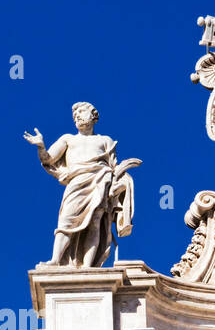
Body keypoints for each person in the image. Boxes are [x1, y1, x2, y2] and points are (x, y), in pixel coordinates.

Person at [24, 102, 140, 267]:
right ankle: (56, 260)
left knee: (95, 222)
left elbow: (114, 168)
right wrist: (41, 147)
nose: (76, 116)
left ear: (93, 115)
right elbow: (48, 159)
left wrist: (119, 185)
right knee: (66, 219)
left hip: (100, 180)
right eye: (74, 115)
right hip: (77, 181)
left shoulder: (105, 140)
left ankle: (88, 266)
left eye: (80, 111)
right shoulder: (68, 139)